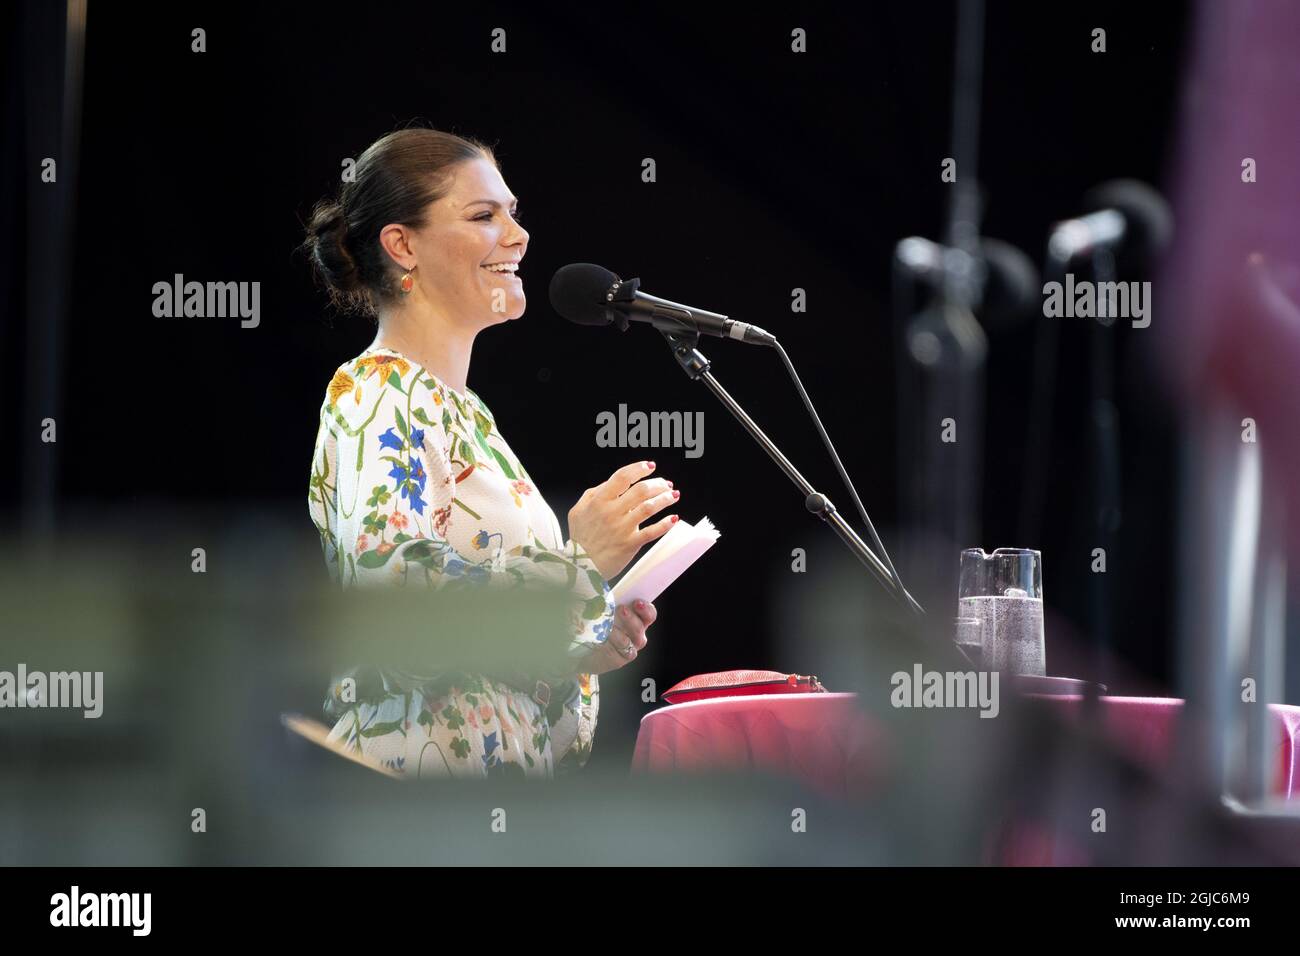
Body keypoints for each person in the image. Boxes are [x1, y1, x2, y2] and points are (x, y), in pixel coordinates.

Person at [303, 127, 680, 778]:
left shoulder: (467, 416)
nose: (518, 234)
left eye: (514, 212)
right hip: (410, 801)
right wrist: (577, 563)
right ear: (402, 246)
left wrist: (576, 642)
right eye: (484, 215)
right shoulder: (378, 394)